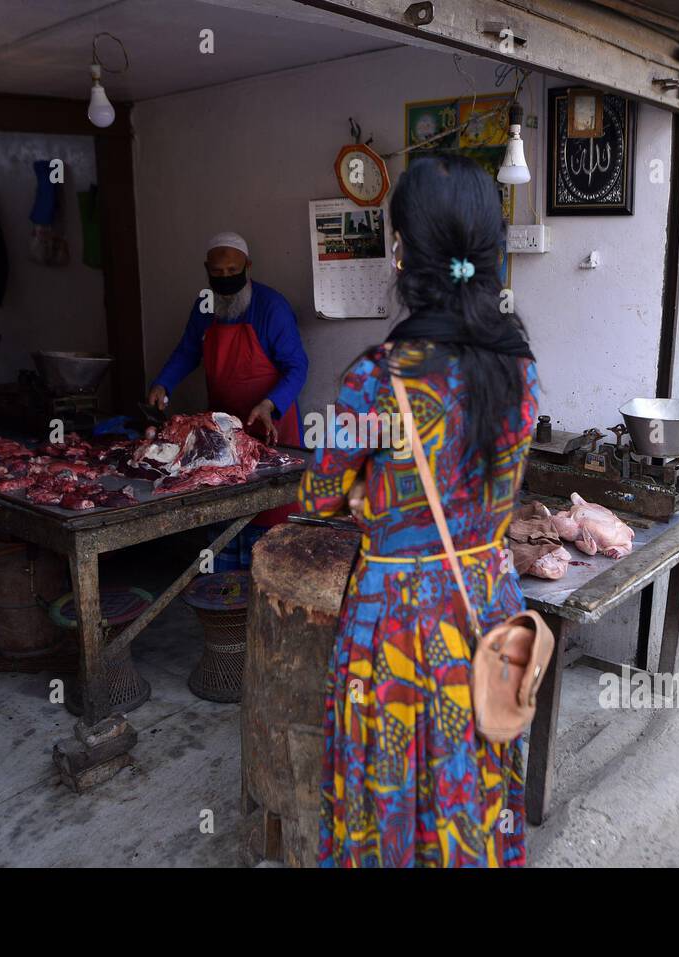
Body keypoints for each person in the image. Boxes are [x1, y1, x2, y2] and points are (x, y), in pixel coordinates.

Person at [299, 154, 539, 867]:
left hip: (396, 621)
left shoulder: (377, 378)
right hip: (488, 604)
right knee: (477, 765)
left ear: (401, 250)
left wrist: (371, 494)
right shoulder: (516, 365)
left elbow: (317, 496)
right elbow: (498, 482)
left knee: (390, 784)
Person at [146, 232, 307, 447]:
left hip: (271, 423)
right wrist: (163, 384)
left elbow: (297, 367)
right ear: (207, 269)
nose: (225, 278)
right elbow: (188, 352)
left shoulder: (272, 307)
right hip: (224, 425)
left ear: (247, 266)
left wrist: (270, 404)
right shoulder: (205, 306)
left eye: (233, 270)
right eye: (217, 271)